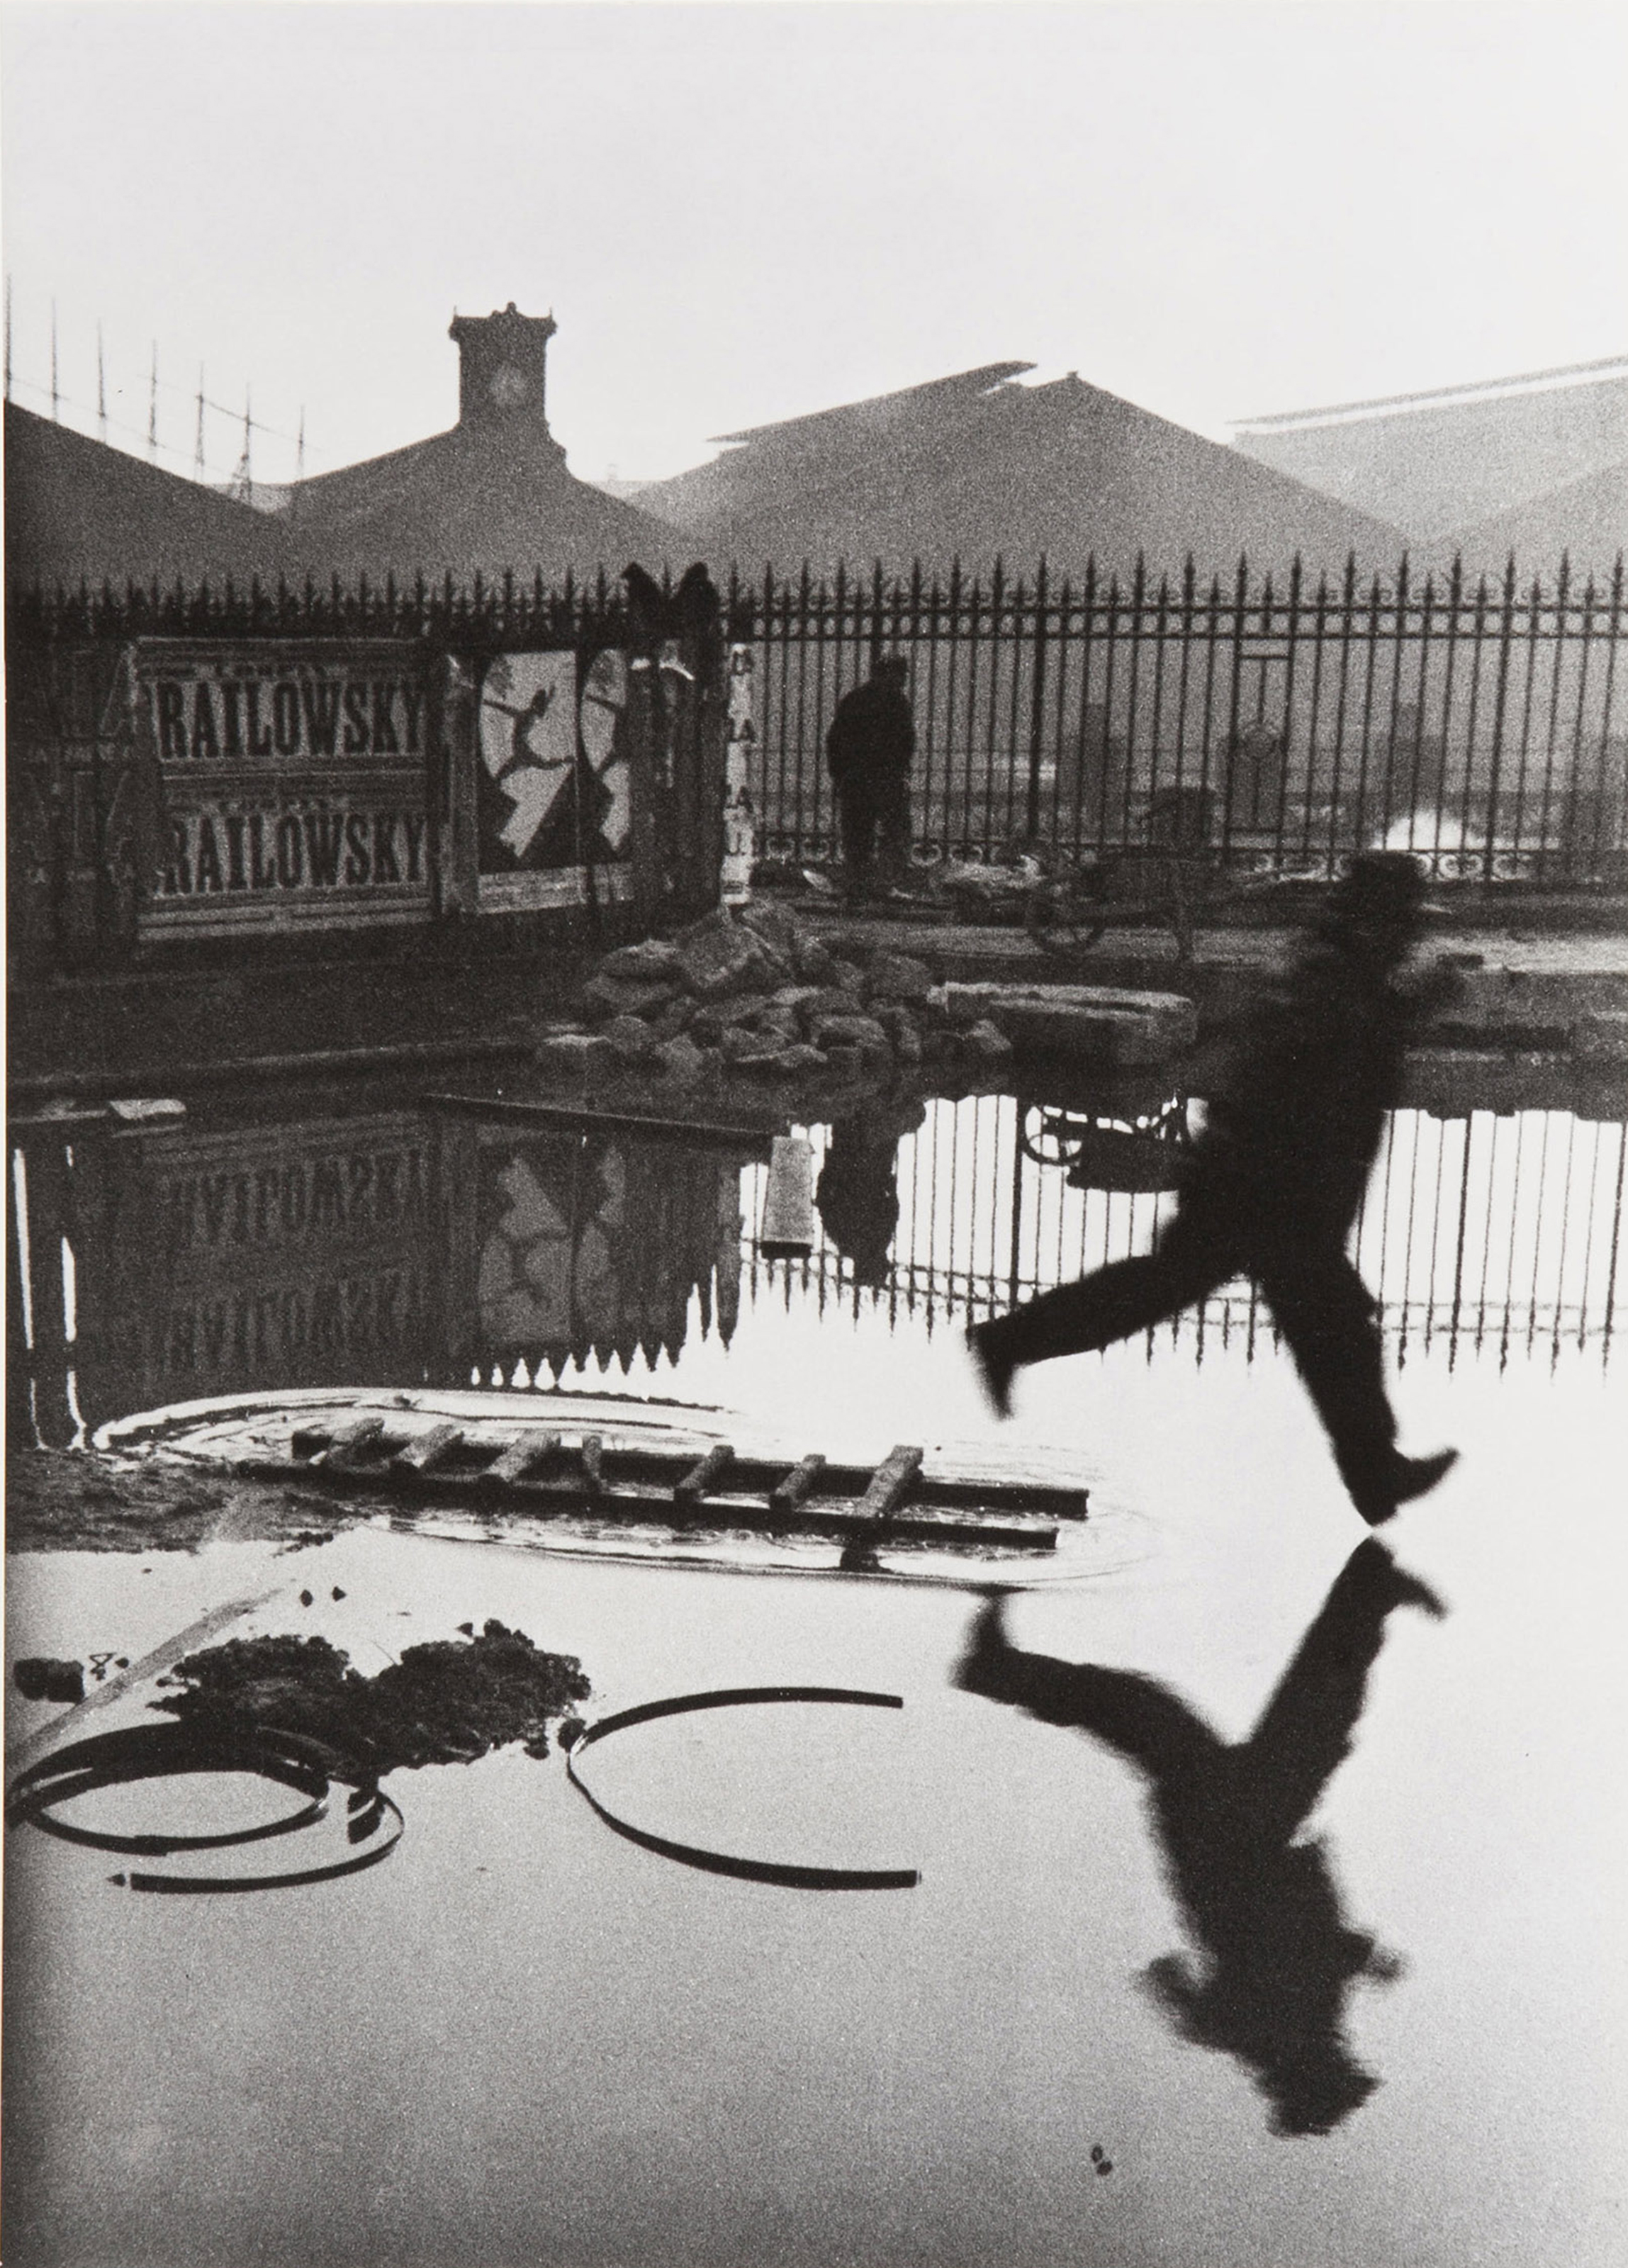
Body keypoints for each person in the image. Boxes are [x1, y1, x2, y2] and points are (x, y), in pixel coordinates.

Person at [967, 852, 1457, 1525]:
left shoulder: (1331, 964)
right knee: (1329, 1325)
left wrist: (1400, 1005)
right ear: (1379, 923)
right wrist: (1406, 1005)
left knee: (1206, 1296)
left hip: (1262, 1181)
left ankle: (1010, 1341)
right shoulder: (1332, 976)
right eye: (1404, 925)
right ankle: (1374, 1474)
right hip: (1267, 1186)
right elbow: (1324, 1057)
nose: (1409, 938)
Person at [955, 1540, 1445, 2135]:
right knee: (1259, 1716)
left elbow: (1276, 1966)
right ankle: (994, 1667)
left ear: (1315, 2070)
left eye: (1341, 2066)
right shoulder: (1283, 2025)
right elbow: (1294, 1959)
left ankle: (1370, 1589)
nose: (1347, 2054)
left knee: (1262, 1716)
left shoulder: (1274, 2027)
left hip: (1232, 1839)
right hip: (1240, 1835)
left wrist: (1363, 1962)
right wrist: (1363, 1961)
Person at [825, 654, 915, 902]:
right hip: (886, 778)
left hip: (856, 779)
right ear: (889, 675)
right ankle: (885, 885)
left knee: (857, 835)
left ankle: (858, 885)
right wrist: (901, 770)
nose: (904, 680)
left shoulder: (854, 700)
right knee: (894, 832)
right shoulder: (897, 702)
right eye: (901, 674)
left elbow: (834, 740)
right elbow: (906, 742)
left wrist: (839, 775)